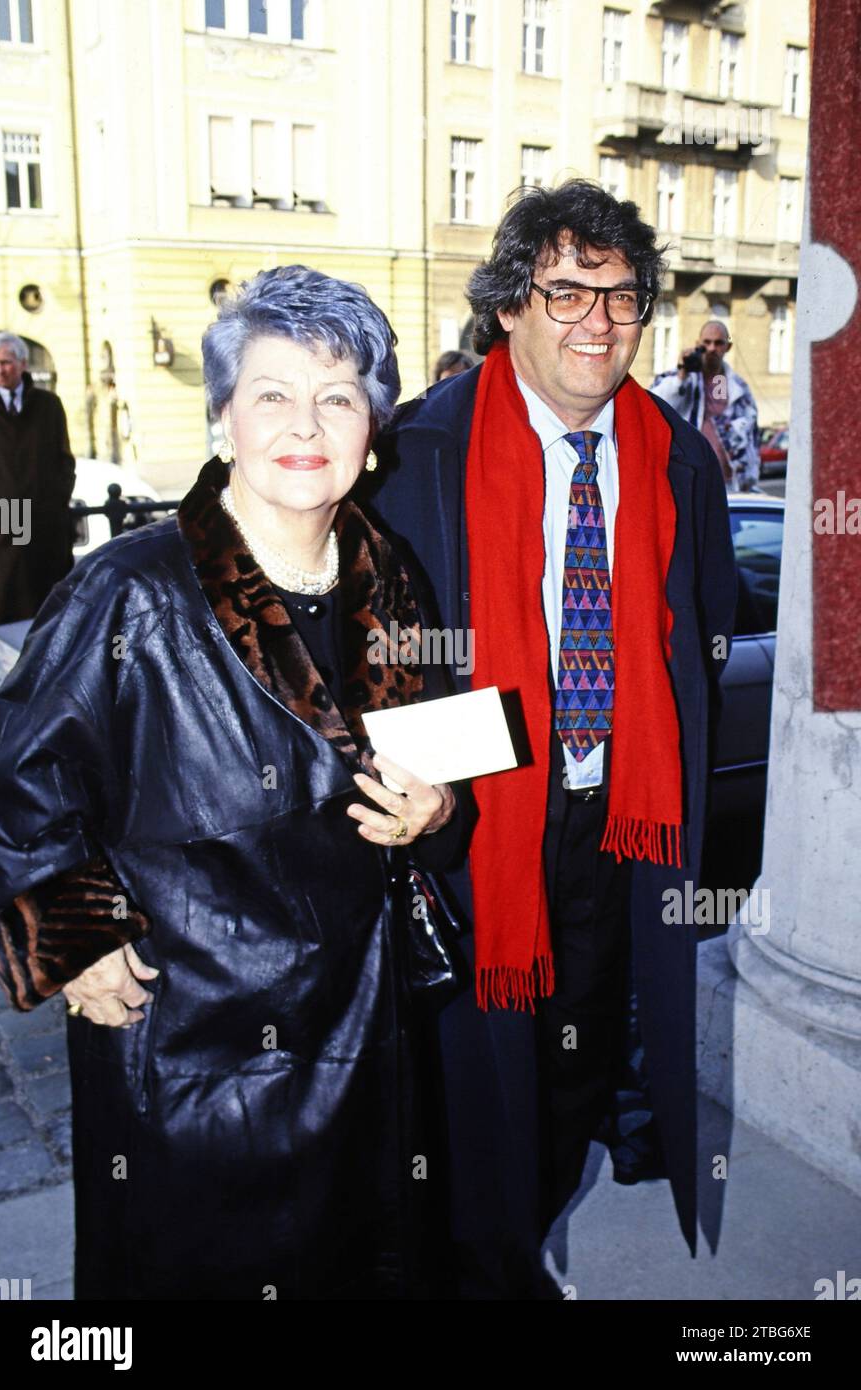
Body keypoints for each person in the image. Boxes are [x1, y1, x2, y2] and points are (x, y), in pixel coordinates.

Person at [0, 266, 470, 1300]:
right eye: (272, 393)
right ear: (222, 421)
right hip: (195, 1040)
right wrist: (72, 933)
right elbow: (8, 776)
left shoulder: (394, 575)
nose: (307, 423)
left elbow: (431, 753)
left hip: (361, 1024)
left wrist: (436, 805)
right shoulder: (129, 587)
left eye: (338, 396)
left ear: (372, 429)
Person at [367, 179, 738, 1297]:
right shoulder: (414, 453)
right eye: (566, 291)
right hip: (466, 830)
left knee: (574, 1064)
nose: (597, 321)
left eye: (622, 298)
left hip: (607, 820)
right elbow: (367, 651)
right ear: (509, 306)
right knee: (468, 1088)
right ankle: (481, 1265)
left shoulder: (675, 458)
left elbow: (704, 630)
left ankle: (515, 1243)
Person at [0, 332, 75, 626]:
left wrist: (56, 499)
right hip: (0, 516)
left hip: (44, 518)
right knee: (2, 604)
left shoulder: (48, 404)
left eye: (6, 362)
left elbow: (64, 459)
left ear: (22, 363)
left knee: (48, 604)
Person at [649, 320, 761, 490]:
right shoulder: (679, 378)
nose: (711, 349)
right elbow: (653, 406)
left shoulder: (736, 387)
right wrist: (682, 374)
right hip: (687, 483)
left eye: (718, 343)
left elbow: (751, 438)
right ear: (698, 345)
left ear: (728, 347)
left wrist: (749, 480)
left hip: (727, 486)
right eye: (706, 343)